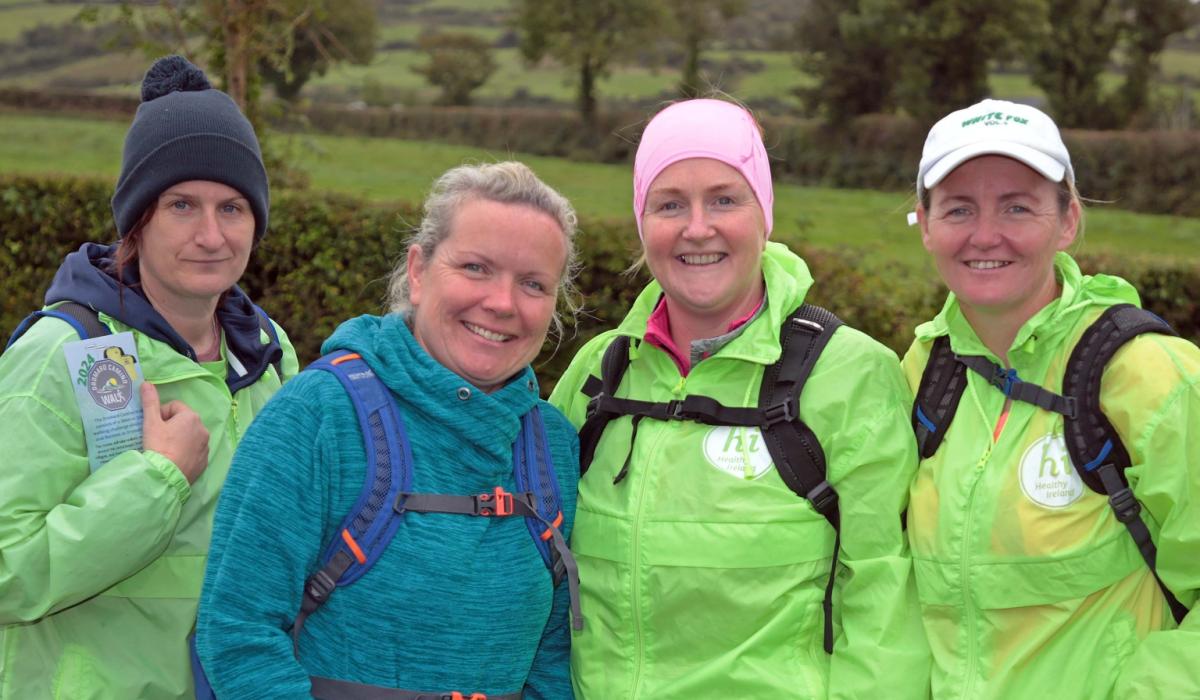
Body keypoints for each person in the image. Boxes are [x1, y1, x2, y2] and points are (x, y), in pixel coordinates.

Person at [549, 98, 929, 698]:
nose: (697, 228)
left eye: (725, 199)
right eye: (670, 203)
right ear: (642, 222)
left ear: (764, 213)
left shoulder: (849, 375)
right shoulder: (600, 375)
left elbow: (885, 603)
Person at [196, 161, 581, 700]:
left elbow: (554, 658)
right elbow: (238, 633)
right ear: (419, 271)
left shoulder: (553, 446)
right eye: (475, 267)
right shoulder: (318, 416)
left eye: (533, 284)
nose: (502, 303)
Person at [0, 55, 298, 698]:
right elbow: (6, 575)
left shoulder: (271, 355)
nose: (211, 235)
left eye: (234, 207)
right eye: (181, 205)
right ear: (137, 219)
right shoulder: (61, 352)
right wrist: (156, 481)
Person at [905, 98, 1200, 699]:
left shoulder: (1148, 372)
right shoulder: (919, 373)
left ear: (1067, 220)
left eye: (1017, 206)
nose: (986, 235)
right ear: (926, 223)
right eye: (959, 208)